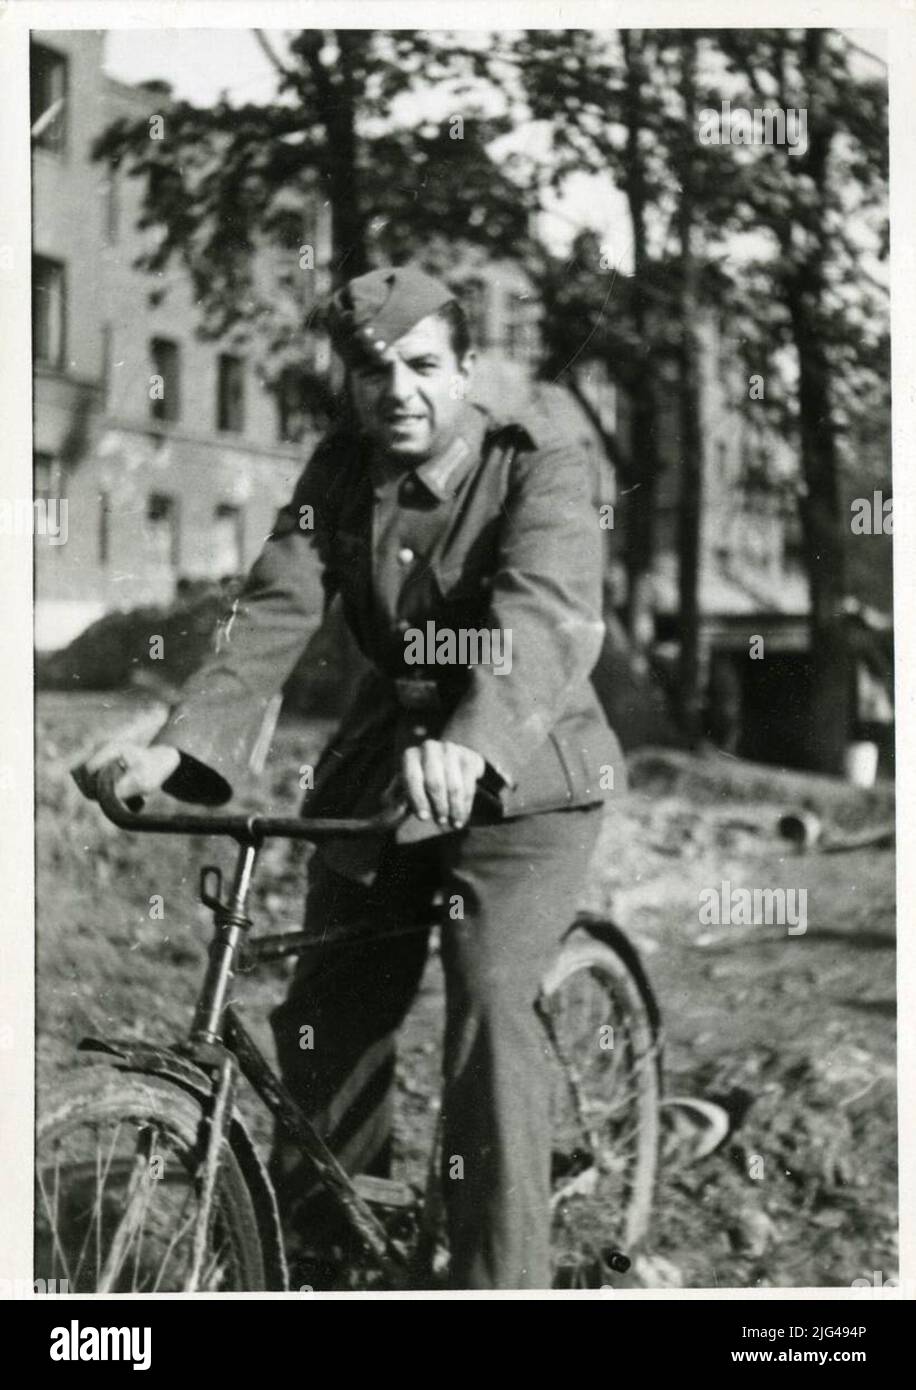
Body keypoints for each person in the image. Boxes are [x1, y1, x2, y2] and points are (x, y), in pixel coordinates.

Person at [73, 265, 625, 1289]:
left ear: (465, 370)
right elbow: (272, 609)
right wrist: (181, 742)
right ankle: (322, 1255)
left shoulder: (539, 465)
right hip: (385, 769)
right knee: (328, 997)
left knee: (490, 993)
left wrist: (473, 742)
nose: (397, 391)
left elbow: (541, 615)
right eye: (372, 370)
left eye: (421, 366)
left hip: (527, 769)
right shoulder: (337, 474)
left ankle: (501, 1279)